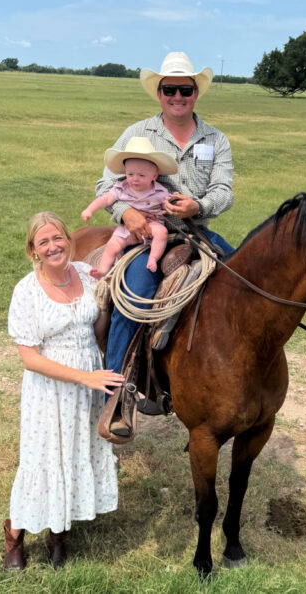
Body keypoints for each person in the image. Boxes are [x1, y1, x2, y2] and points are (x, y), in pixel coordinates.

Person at [95, 51, 234, 380]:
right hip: (146, 236)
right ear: (159, 93)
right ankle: (116, 390)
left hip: (197, 232)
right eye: (170, 89)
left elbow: (224, 191)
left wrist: (197, 206)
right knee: (134, 299)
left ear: (196, 93)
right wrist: (126, 211)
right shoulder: (138, 133)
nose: (177, 97)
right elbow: (105, 183)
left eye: (185, 90)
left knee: (243, 287)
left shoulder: (216, 139)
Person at [3, 211, 125, 571]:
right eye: (44, 242)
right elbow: (30, 359)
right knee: (41, 459)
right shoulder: (26, 291)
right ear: (33, 251)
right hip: (51, 388)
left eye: (58, 238)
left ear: (68, 241)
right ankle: (14, 534)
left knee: (75, 453)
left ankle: (59, 533)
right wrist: (84, 378)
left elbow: (97, 326)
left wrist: (107, 303)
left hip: (90, 380)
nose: (53, 246)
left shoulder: (87, 275)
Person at [82, 137, 178, 278]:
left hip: (151, 226)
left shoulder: (160, 191)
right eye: (130, 174)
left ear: (154, 175)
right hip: (126, 227)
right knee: (112, 246)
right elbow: (106, 198)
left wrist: (174, 201)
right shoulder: (122, 188)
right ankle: (102, 270)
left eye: (141, 175)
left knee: (162, 232)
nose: (135, 179)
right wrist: (90, 210)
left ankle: (153, 258)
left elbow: (168, 205)